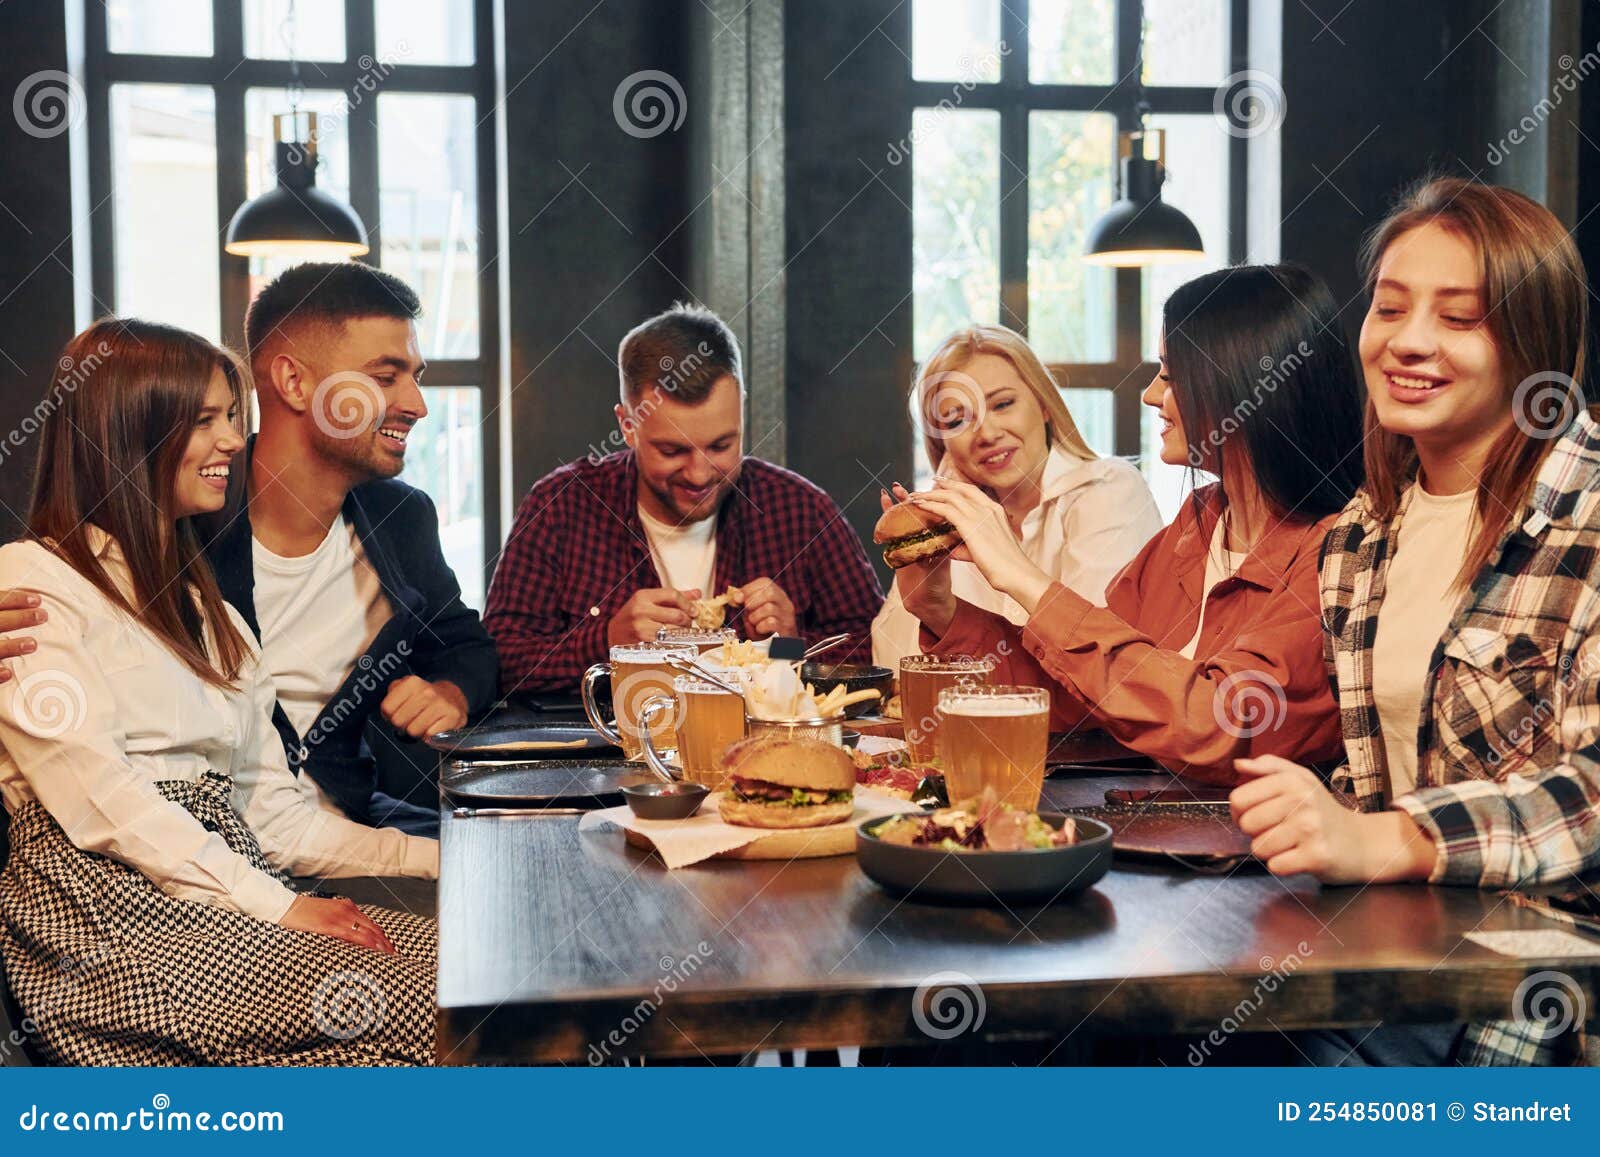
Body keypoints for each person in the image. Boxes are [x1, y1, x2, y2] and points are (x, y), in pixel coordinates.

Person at [1228, 179, 1599, 1066]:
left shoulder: (1587, 515)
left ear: (1533, 344)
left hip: (1544, 989)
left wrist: (1392, 836)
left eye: (1460, 317)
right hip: (1401, 957)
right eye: (1389, 307)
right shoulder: (1360, 538)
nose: (1409, 340)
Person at [0, 319, 436, 1066]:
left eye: (232, 416)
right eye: (205, 420)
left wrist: (436, 855)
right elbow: (102, 799)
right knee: (442, 1005)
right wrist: (282, 904)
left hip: (229, 886)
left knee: (491, 969)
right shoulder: (31, 581)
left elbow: (274, 819)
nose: (235, 441)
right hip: (108, 915)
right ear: (125, 432)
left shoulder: (216, 618)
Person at [897, 265, 1364, 784]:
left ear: (1239, 382)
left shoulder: (1338, 552)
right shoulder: (1199, 524)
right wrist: (941, 611)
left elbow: (1221, 723)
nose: (1148, 395)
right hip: (1159, 838)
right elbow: (1082, 694)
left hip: (1262, 857)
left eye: (1169, 375)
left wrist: (1020, 575)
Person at [201, 262, 499, 838]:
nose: (417, 404)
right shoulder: (185, 523)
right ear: (294, 383)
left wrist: (448, 692)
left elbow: (468, 647)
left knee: (538, 863)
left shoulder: (400, 518)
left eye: (414, 375)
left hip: (357, 823)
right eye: (386, 378)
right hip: (223, 850)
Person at [485, 302, 884, 695]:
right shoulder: (562, 506)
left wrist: (789, 643)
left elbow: (878, 651)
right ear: (628, 426)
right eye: (673, 451)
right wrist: (606, 641)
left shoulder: (801, 511)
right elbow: (500, 661)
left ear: (741, 411)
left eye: (721, 445)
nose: (700, 474)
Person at [870, 324, 1161, 668]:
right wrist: (924, 584)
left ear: (1043, 405)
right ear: (941, 443)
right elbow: (892, 669)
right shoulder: (947, 523)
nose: (987, 434)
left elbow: (1095, 663)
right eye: (956, 421)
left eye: (1003, 404)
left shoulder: (1110, 489)